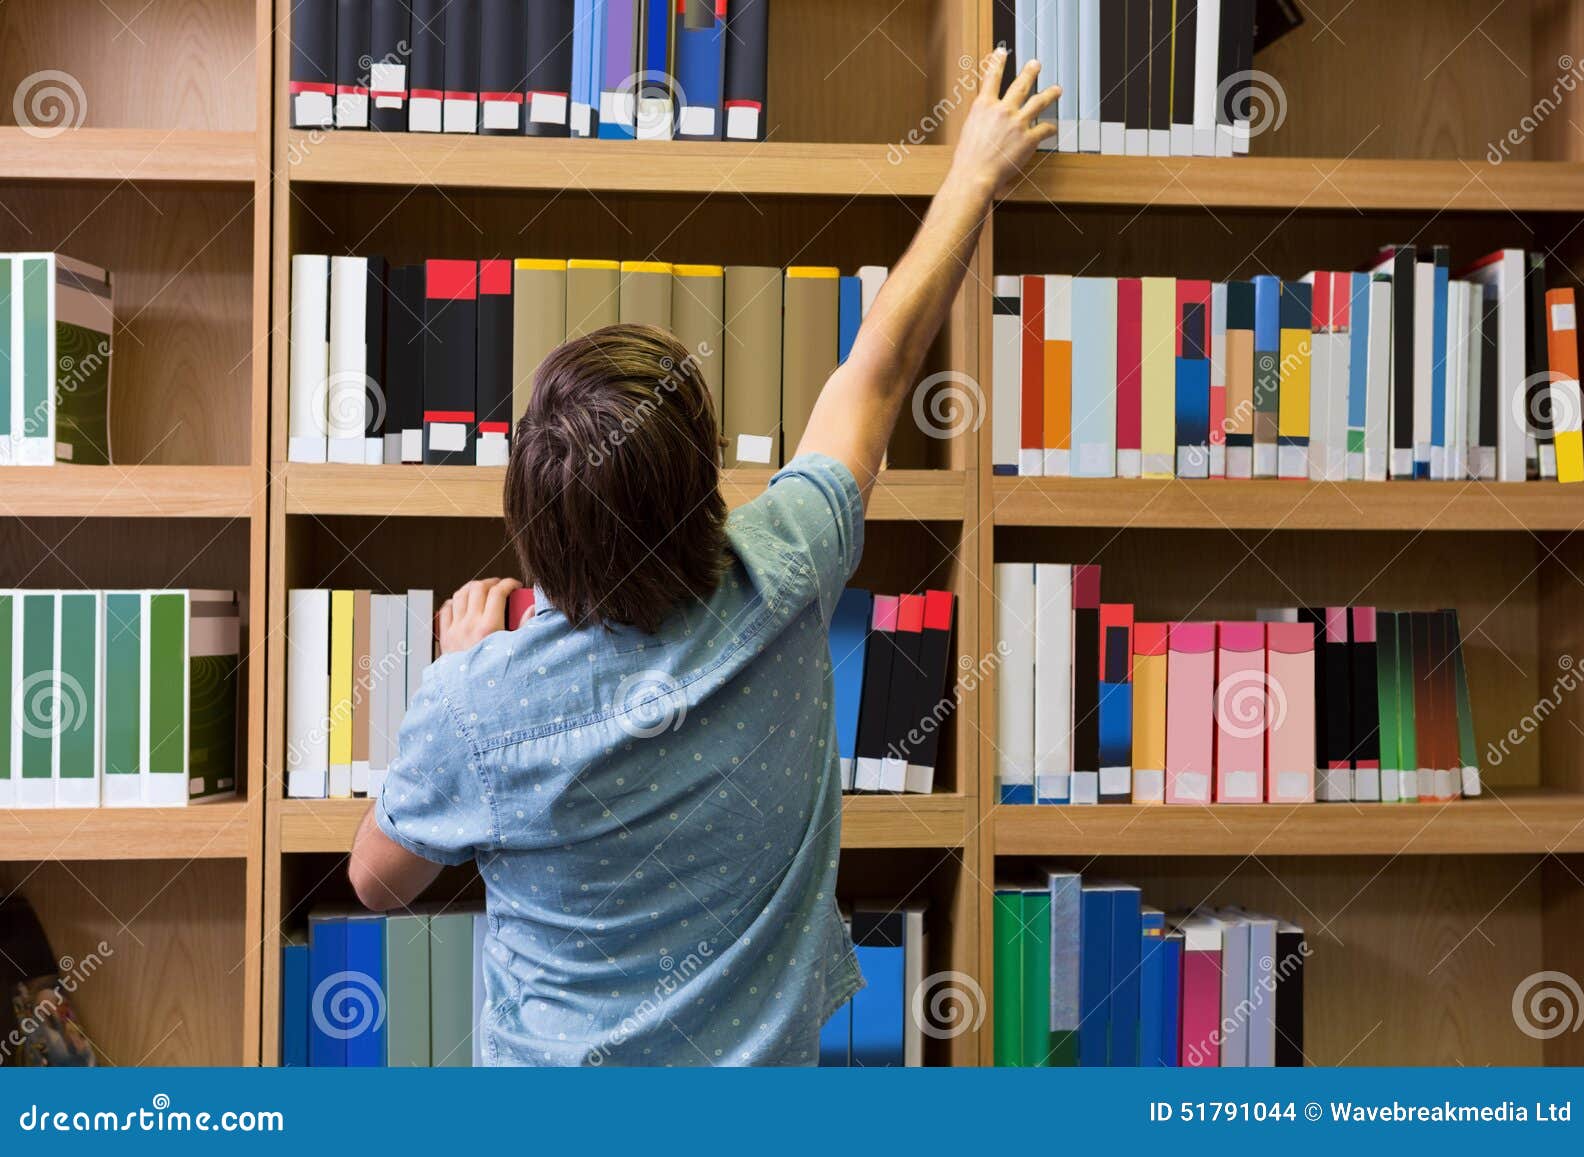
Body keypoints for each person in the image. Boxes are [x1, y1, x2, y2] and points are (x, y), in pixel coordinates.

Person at [348, 50, 1061, 1066]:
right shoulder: (788, 565)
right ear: (706, 487)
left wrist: (458, 671)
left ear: (529, 518)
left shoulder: (474, 703)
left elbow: (379, 881)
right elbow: (880, 368)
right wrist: (972, 175)